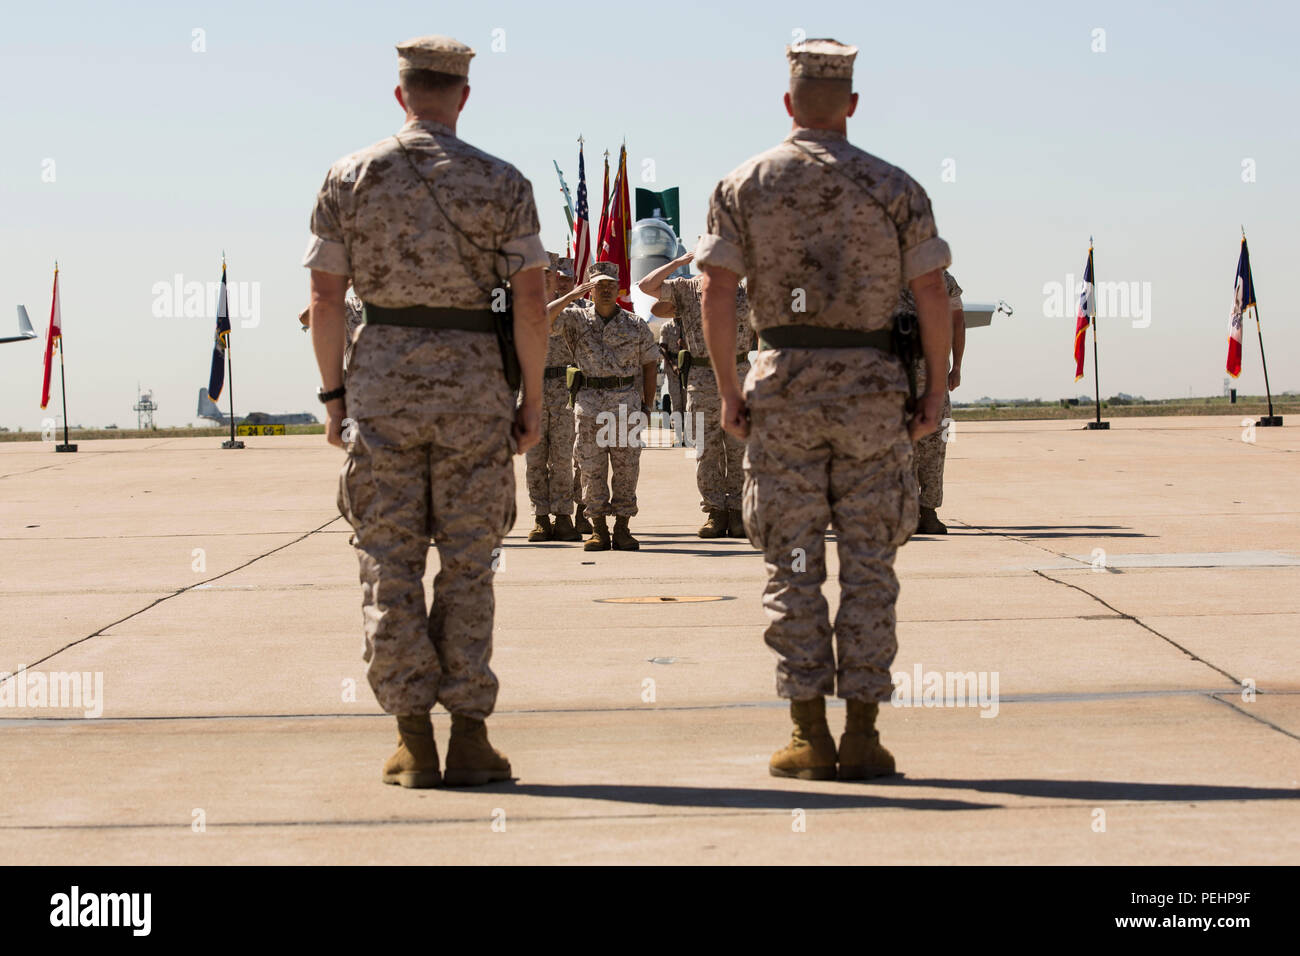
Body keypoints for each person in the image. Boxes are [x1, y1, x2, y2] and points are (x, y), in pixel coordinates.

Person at [694, 38, 952, 781]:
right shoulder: (894, 186)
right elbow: (932, 292)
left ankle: (808, 734)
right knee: (871, 565)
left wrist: (728, 387)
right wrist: (933, 389)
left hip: (784, 393)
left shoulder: (745, 182)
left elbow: (716, 292)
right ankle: (865, 735)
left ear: (787, 104)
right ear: (852, 105)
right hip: (874, 394)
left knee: (792, 564)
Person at [303, 34, 549, 789]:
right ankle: (471, 737)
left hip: (382, 393)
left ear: (401, 93)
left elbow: (323, 299)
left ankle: (414, 741)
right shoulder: (502, 181)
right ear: (463, 96)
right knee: (472, 564)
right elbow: (533, 302)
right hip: (476, 394)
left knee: (389, 563)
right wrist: (532, 398)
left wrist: (334, 397)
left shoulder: (350, 176)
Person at [639, 253, 752, 538]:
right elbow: (646, 286)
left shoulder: (747, 288)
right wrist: (679, 263)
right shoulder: (687, 288)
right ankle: (715, 512)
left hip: (738, 370)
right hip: (701, 376)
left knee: (739, 446)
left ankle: (739, 512)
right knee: (706, 447)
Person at [548, 262, 658, 551]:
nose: (606, 290)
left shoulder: (635, 324)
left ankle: (622, 528)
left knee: (626, 469)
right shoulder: (575, 319)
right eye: (599, 285)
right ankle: (598, 529)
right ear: (589, 289)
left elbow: (650, 366)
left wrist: (647, 406)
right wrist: (570, 297)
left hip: (625, 403)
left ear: (619, 287)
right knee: (590, 469)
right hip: (589, 404)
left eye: (611, 285)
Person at [896, 270, 964, 534]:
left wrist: (957, 366)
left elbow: (957, 321)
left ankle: (929, 511)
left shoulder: (943, 280)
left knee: (935, 447)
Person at [525, 253, 582, 542]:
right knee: (535, 459)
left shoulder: (574, 309)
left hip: (563, 388)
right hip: (532, 387)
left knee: (562, 458)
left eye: (551, 273)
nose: (547, 277)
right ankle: (540, 518)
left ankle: (563, 517)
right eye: (541, 273)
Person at [653, 299, 684, 444]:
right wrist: (673, 366)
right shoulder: (666, 327)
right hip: (673, 369)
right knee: (676, 402)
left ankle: (691, 436)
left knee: (690, 403)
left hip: (689, 368)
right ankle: (678, 436)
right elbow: (663, 348)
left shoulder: (689, 327)